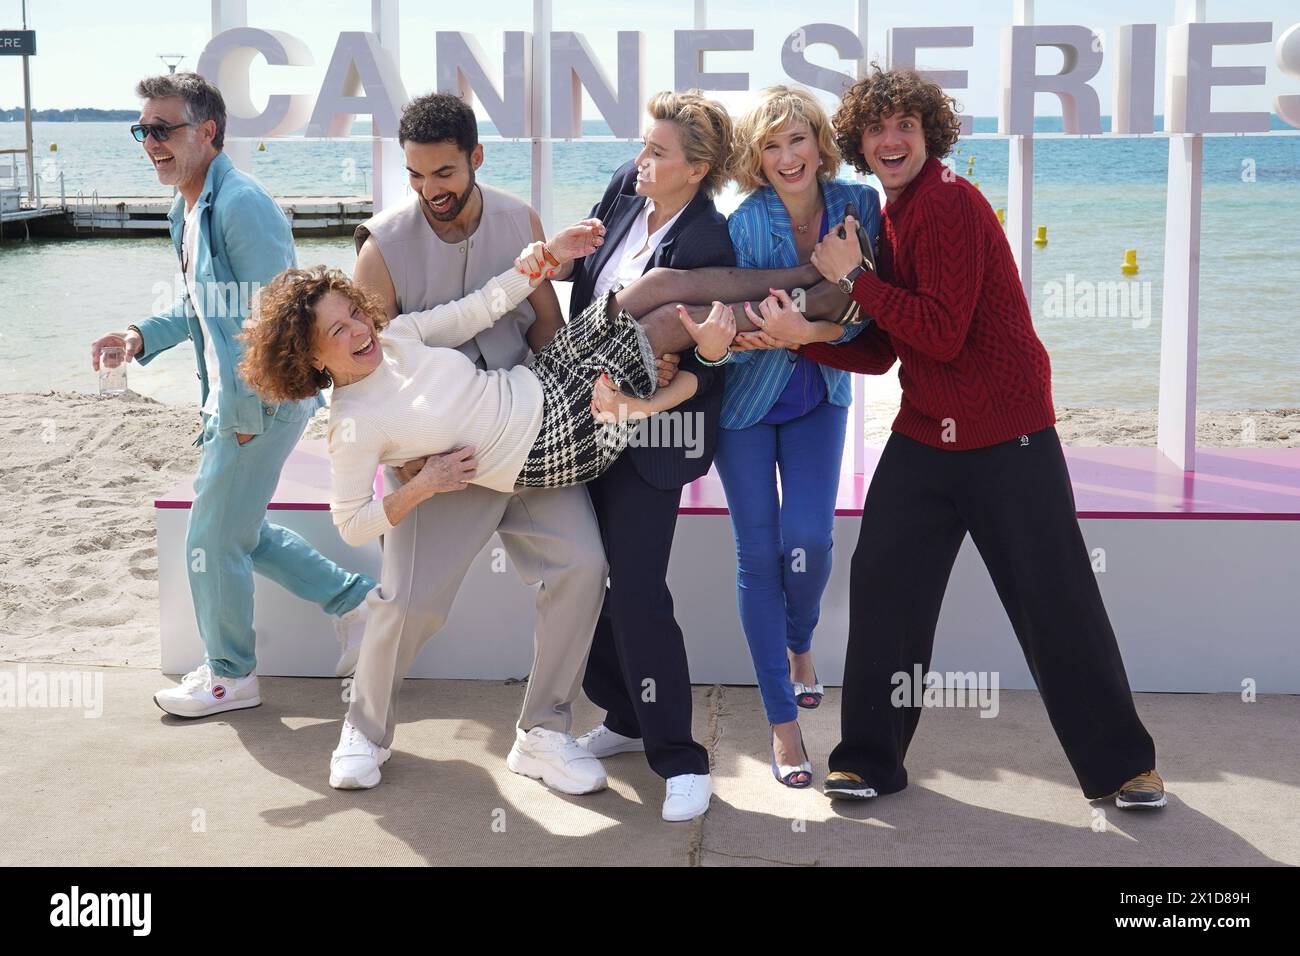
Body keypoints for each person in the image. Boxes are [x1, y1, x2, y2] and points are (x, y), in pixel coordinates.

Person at [794, 66, 1165, 810]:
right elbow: (891, 348)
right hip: (929, 434)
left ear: (931, 132)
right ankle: (867, 761)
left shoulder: (950, 203)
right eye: (877, 128)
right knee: (884, 590)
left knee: (1054, 600)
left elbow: (943, 330)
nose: (892, 139)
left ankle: (1125, 767)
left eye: (906, 124)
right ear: (861, 143)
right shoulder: (893, 217)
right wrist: (798, 337)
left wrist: (854, 280)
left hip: (1009, 435)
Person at [89, 72, 376, 718]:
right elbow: (206, 311)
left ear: (208, 131)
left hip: (264, 399)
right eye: (143, 130)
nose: (150, 142)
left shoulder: (242, 203)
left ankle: (231, 676)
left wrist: (246, 413)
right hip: (236, 398)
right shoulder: (186, 208)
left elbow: (275, 320)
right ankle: (357, 603)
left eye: (163, 129)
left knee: (211, 539)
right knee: (239, 531)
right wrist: (139, 336)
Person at [529, 89, 737, 823]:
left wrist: (642, 401)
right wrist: (552, 255)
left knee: (640, 586)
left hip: (653, 436)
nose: (640, 160)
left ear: (698, 168)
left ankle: (681, 758)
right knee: (587, 578)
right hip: (579, 423)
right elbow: (586, 284)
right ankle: (623, 713)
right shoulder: (625, 186)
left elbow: (704, 361)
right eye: (643, 146)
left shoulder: (708, 241)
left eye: (658, 152)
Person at [238, 262, 737, 538]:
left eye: (355, 313)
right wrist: (424, 484)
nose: (359, 330)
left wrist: (545, 258)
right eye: (338, 330)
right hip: (550, 443)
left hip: (541, 380)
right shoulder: (351, 425)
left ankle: (810, 290)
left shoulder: (400, 336)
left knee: (659, 284)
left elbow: (480, 307)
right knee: (669, 323)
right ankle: (796, 318)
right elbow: (350, 524)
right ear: (309, 356)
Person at [716, 85, 881, 789]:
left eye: (798, 139)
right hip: (745, 407)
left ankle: (800, 643)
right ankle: (784, 725)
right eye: (771, 145)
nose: (788, 157)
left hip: (822, 395)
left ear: (820, 140)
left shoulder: (860, 206)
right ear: (757, 157)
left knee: (809, 541)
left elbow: (871, 306)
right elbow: (730, 318)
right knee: (759, 557)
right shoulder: (742, 221)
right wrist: (762, 332)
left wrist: (811, 330)